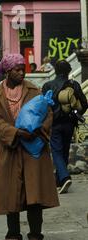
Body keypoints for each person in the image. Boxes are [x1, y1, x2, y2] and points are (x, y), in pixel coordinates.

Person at [0, 53, 59, 240]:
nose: (22, 72)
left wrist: (37, 130)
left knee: (34, 193)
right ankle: (13, 235)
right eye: (17, 70)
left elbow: (48, 114)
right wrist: (15, 133)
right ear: (8, 72)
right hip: (10, 148)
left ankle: (35, 234)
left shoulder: (34, 91)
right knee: (12, 194)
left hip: (33, 149)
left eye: (23, 69)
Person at [42, 60, 88, 194]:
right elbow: (84, 104)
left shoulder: (47, 85)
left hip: (54, 123)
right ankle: (59, 180)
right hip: (69, 123)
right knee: (64, 151)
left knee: (56, 151)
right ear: (68, 71)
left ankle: (65, 177)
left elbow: (44, 105)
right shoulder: (74, 85)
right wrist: (76, 114)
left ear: (55, 71)